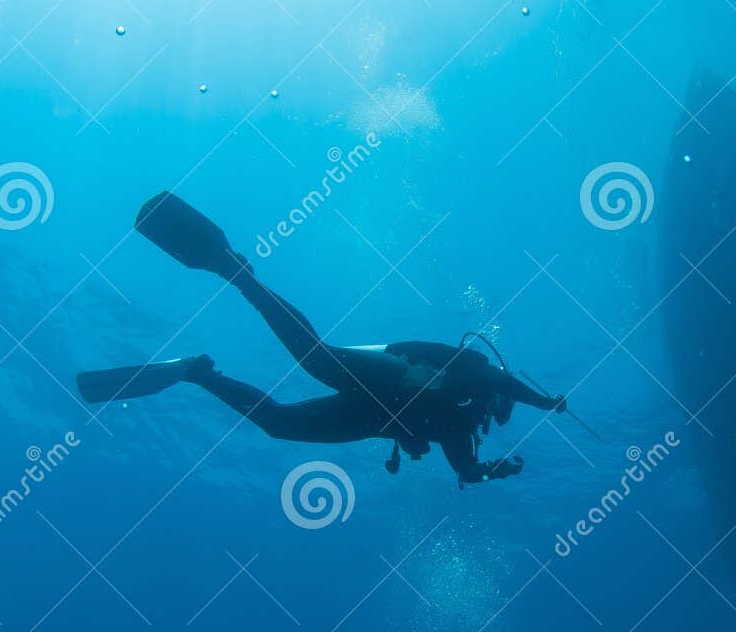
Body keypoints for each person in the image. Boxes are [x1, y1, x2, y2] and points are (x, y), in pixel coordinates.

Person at [76, 192, 566, 487]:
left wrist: (494, 470)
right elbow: (501, 379)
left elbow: (466, 471)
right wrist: (545, 402)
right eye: (503, 407)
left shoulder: (461, 433)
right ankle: (236, 273)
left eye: (501, 415)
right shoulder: (475, 374)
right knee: (317, 359)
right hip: (396, 378)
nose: (497, 414)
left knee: (278, 425)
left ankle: (197, 373)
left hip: (374, 416)